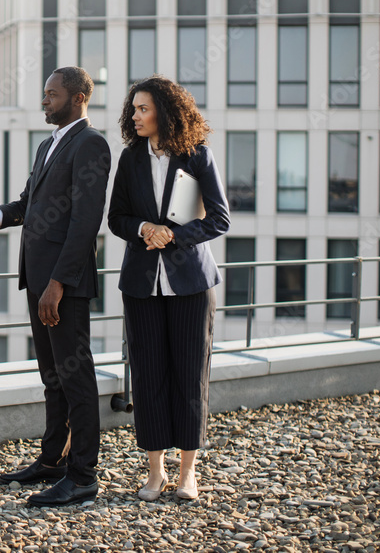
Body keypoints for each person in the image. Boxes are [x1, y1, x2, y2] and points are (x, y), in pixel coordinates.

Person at [0, 66, 111, 507]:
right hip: (38, 279)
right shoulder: (48, 144)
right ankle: (52, 461)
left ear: (79, 97)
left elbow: (86, 222)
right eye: (45, 94)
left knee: (76, 379)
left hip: (62, 286)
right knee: (52, 378)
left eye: (52, 94)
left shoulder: (92, 144)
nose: (44, 101)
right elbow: (27, 205)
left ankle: (83, 475)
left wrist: (58, 284)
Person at [107, 74, 230, 501]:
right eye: (134, 109)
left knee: (190, 375)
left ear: (166, 112)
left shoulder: (197, 156)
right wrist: (144, 228)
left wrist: (173, 235)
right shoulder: (130, 159)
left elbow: (220, 218)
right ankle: (155, 473)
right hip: (141, 284)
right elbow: (116, 218)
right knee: (147, 375)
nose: (135, 116)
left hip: (191, 284)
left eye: (144, 109)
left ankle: (188, 474)